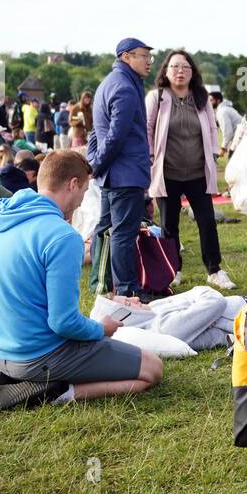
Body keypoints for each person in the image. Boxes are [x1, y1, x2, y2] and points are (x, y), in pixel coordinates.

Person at [0, 150, 163, 411]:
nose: (82, 203)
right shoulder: (62, 236)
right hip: (39, 355)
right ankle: (55, 391)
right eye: (83, 192)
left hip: (2, 352)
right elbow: (63, 322)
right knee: (153, 369)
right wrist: (100, 329)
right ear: (73, 184)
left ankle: (26, 379)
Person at [145, 49, 235, 291]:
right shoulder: (157, 97)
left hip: (197, 172)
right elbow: (148, 128)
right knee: (169, 225)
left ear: (193, 72)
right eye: (174, 67)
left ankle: (214, 270)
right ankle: (173, 270)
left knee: (207, 221)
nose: (180, 71)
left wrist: (214, 154)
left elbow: (211, 129)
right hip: (167, 173)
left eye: (185, 67)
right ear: (165, 70)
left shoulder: (201, 96)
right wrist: (150, 159)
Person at [87, 38, 154, 299]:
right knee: (123, 235)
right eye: (144, 56)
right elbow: (115, 136)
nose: (149, 61)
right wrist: (97, 164)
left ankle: (101, 284)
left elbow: (96, 133)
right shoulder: (125, 87)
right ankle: (127, 290)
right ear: (126, 57)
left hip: (113, 173)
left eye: (150, 57)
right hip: (124, 174)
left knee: (105, 229)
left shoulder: (110, 82)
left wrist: (96, 164)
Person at [212, 89, 242, 157]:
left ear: (218, 101)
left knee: (233, 164)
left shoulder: (222, 111)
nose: (209, 103)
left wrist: (223, 148)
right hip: (239, 140)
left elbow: (228, 133)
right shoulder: (225, 108)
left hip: (239, 141)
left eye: (211, 100)